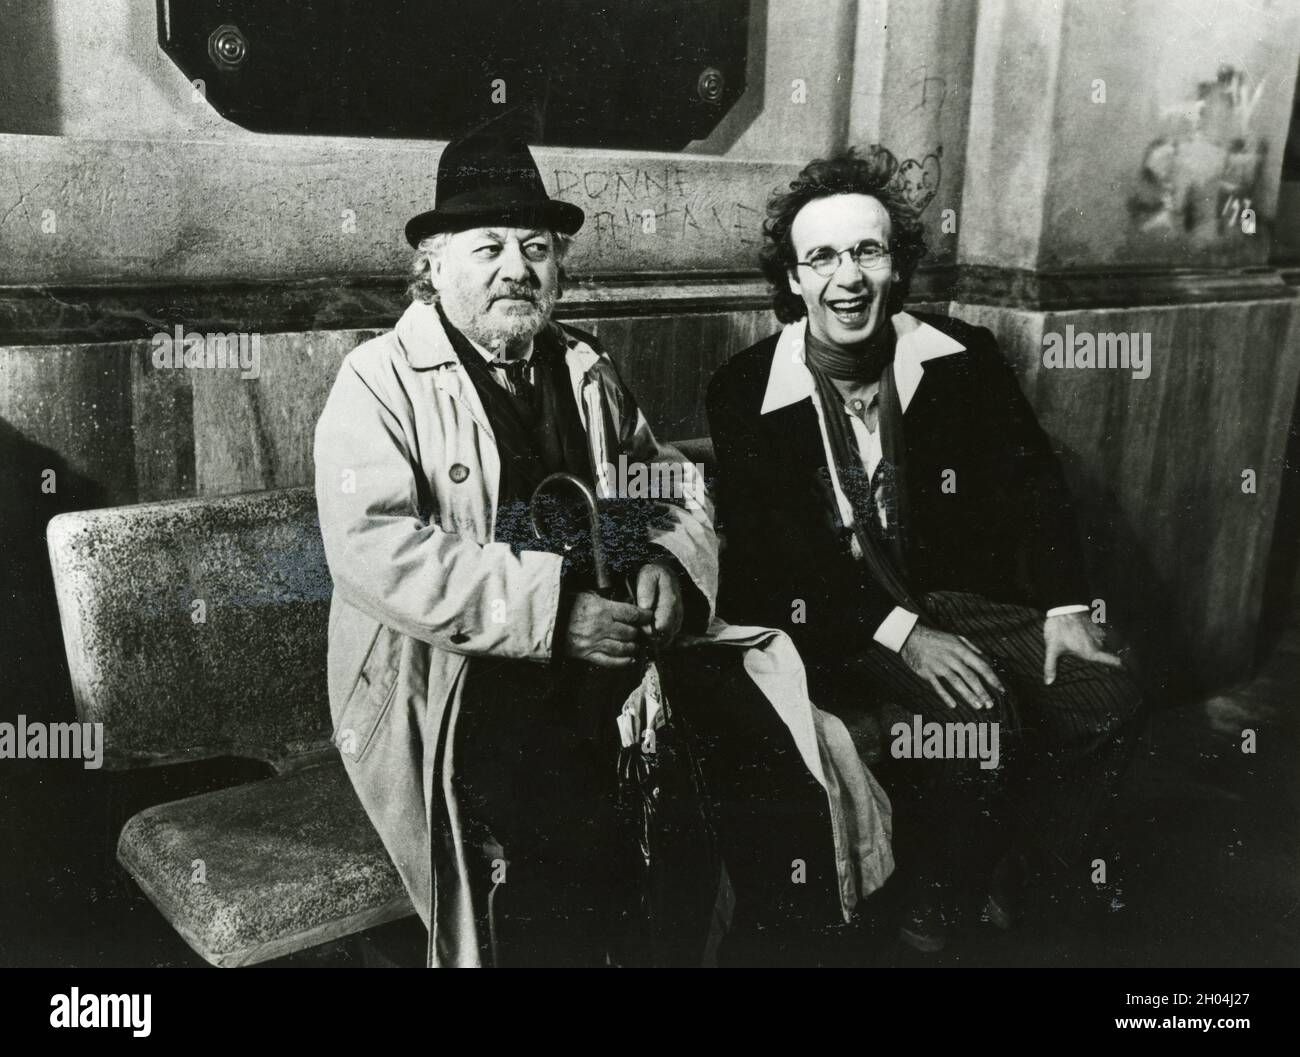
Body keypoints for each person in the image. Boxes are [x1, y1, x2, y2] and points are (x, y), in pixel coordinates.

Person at [313, 129, 892, 966]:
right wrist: (554, 614)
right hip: (459, 670)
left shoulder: (583, 363)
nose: (518, 268)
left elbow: (669, 482)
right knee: (579, 832)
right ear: (433, 269)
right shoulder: (377, 380)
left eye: (537, 248)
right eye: (489, 248)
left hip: (617, 635)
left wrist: (667, 567)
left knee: (766, 761)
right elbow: (374, 548)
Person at [705, 146, 1145, 953]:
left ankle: (1036, 879)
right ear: (793, 279)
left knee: (1103, 693)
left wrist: (1064, 608)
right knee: (977, 723)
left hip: (957, 596)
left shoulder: (961, 356)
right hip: (842, 617)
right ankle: (939, 901)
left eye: (868, 251)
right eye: (823, 257)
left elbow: (1035, 484)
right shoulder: (744, 389)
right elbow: (775, 560)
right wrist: (905, 633)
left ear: (897, 264)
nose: (848, 277)